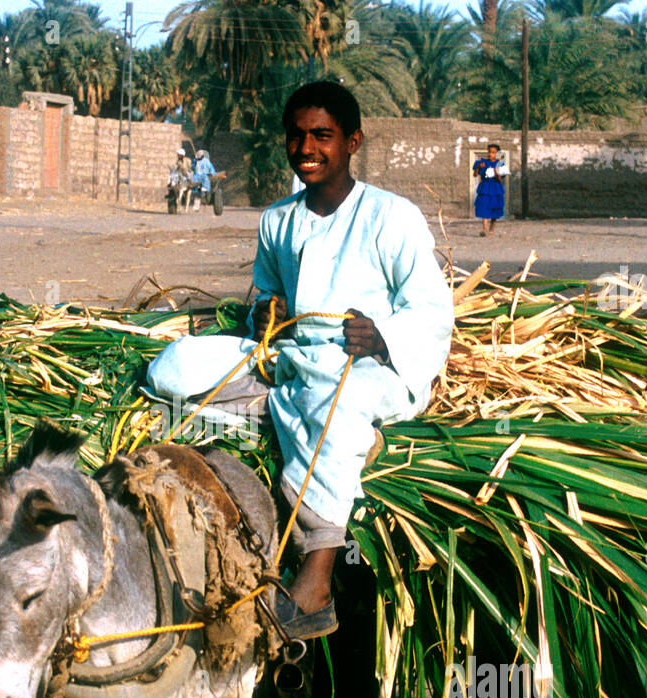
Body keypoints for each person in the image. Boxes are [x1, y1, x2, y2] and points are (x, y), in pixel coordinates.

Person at [147, 81, 454, 639]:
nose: (307, 147)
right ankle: (269, 405)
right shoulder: (277, 221)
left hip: (367, 370)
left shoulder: (392, 217)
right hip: (289, 356)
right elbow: (266, 298)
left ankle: (316, 578)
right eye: (297, 136)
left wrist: (382, 335)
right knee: (175, 367)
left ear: (353, 141)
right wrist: (262, 318)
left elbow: (432, 310)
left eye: (323, 135)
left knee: (332, 402)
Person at [473, 143, 509, 236]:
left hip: (495, 188)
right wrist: (478, 167)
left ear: (497, 153)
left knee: (494, 209)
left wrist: (497, 173)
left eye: (493, 152)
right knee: (484, 206)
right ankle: (484, 229)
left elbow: (501, 179)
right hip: (485, 187)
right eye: (489, 152)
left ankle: (491, 230)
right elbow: (475, 175)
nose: (490, 154)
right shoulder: (482, 162)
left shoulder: (500, 164)